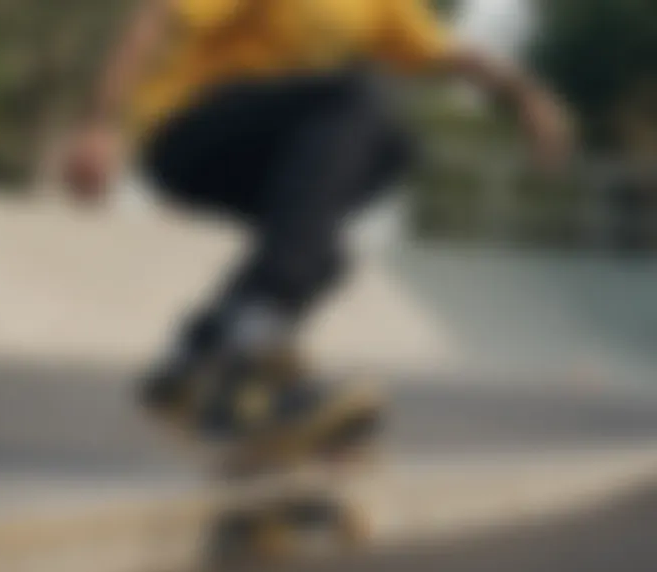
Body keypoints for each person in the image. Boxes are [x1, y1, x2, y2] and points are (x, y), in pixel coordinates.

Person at [64, 0, 572, 472]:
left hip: (270, 149)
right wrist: (99, 124)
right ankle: (249, 350)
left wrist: (528, 94)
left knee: (357, 199)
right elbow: (156, 17)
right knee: (358, 98)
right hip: (187, 128)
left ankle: (195, 355)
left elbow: (452, 54)